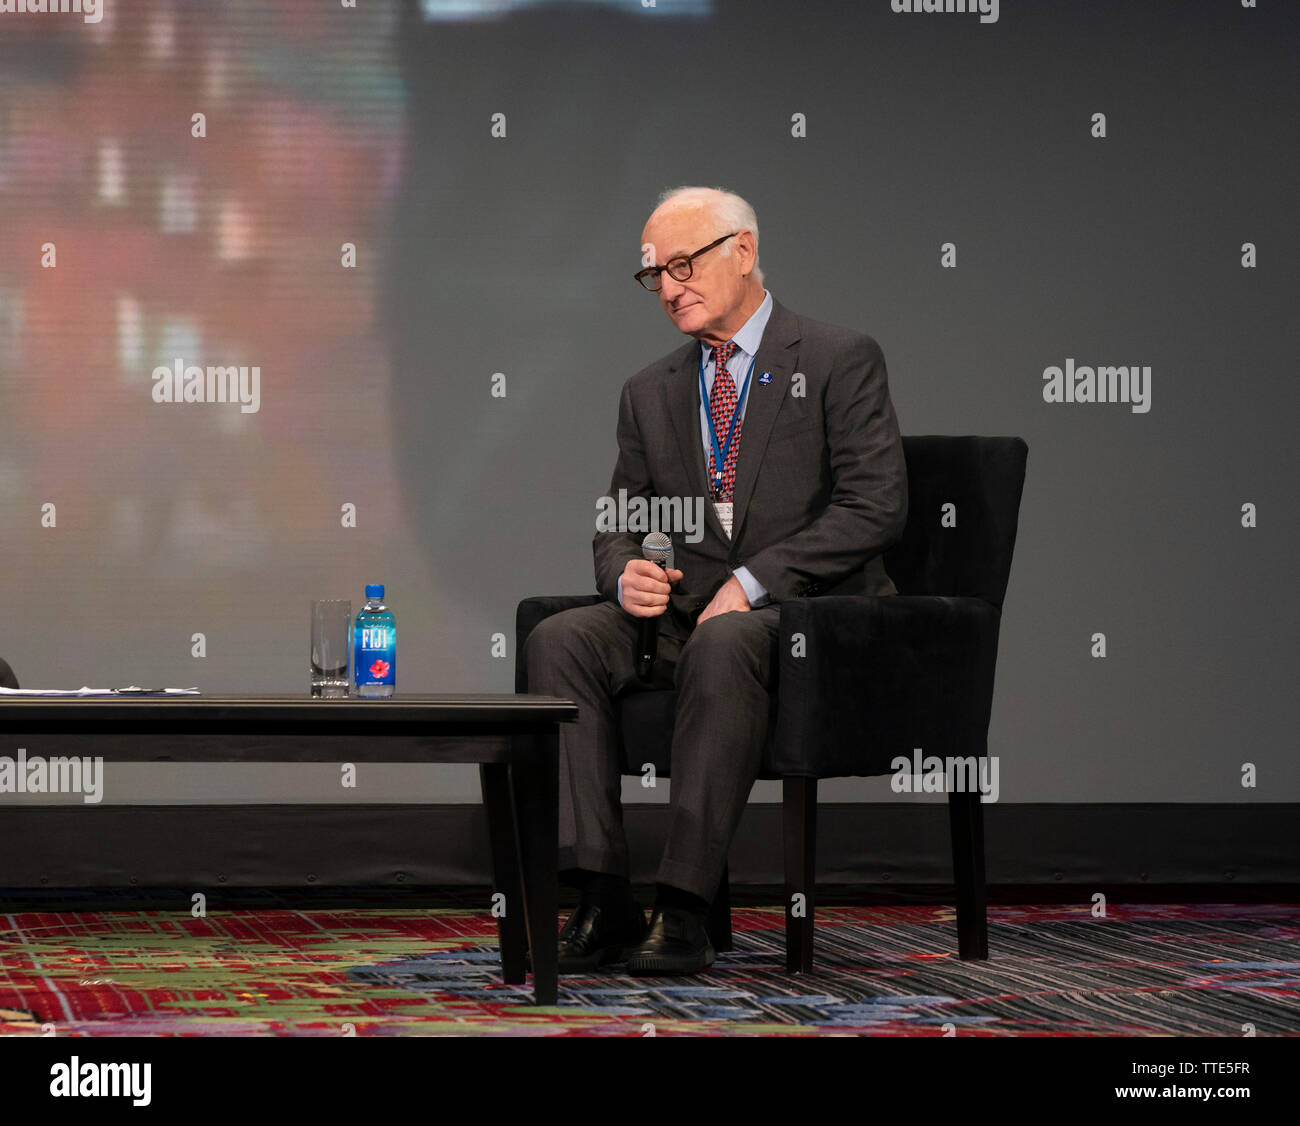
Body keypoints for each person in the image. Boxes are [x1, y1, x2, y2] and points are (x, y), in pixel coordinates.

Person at [524, 186, 907, 976]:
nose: (669, 288)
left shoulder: (837, 358)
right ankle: (603, 896)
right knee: (559, 639)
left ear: (743, 250)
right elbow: (619, 515)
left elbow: (876, 506)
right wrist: (622, 570)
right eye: (656, 275)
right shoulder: (650, 389)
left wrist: (756, 580)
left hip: (806, 624)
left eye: (684, 264)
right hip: (684, 619)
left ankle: (686, 907)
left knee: (727, 638)